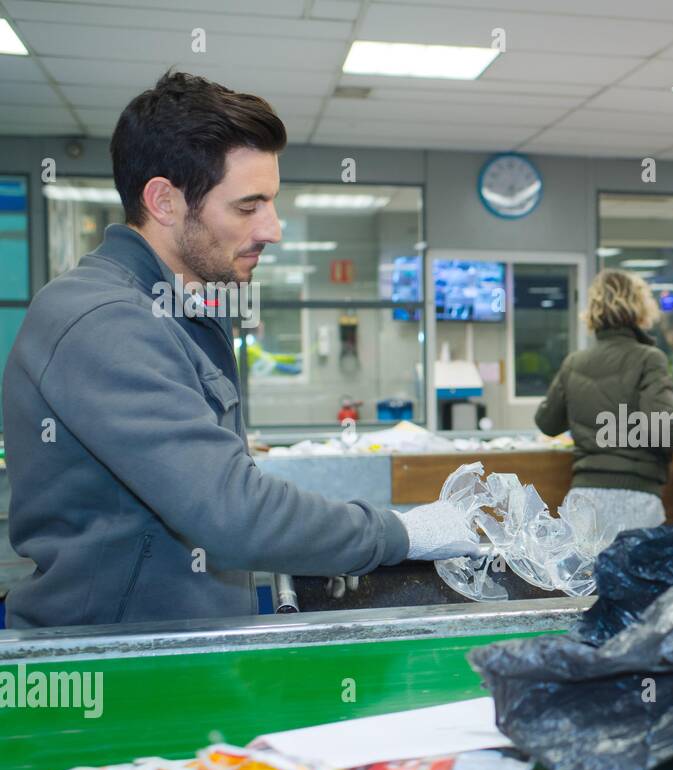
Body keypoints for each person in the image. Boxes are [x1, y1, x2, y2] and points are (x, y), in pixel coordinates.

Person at [2, 72, 481, 629]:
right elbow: (231, 512)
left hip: (184, 649)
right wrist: (403, 532)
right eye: (248, 206)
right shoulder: (104, 320)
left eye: (271, 203)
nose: (273, 229)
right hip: (114, 667)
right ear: (164, 201)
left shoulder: (182, 313)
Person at [535, 269, 673, 547]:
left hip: (583, 499)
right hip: (635, 500)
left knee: (580, 588)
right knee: (634, 587)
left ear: (593, 311)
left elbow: (547, 422)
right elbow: (665, 430)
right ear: (641, 308)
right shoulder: (649, 359)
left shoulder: (575, 362)